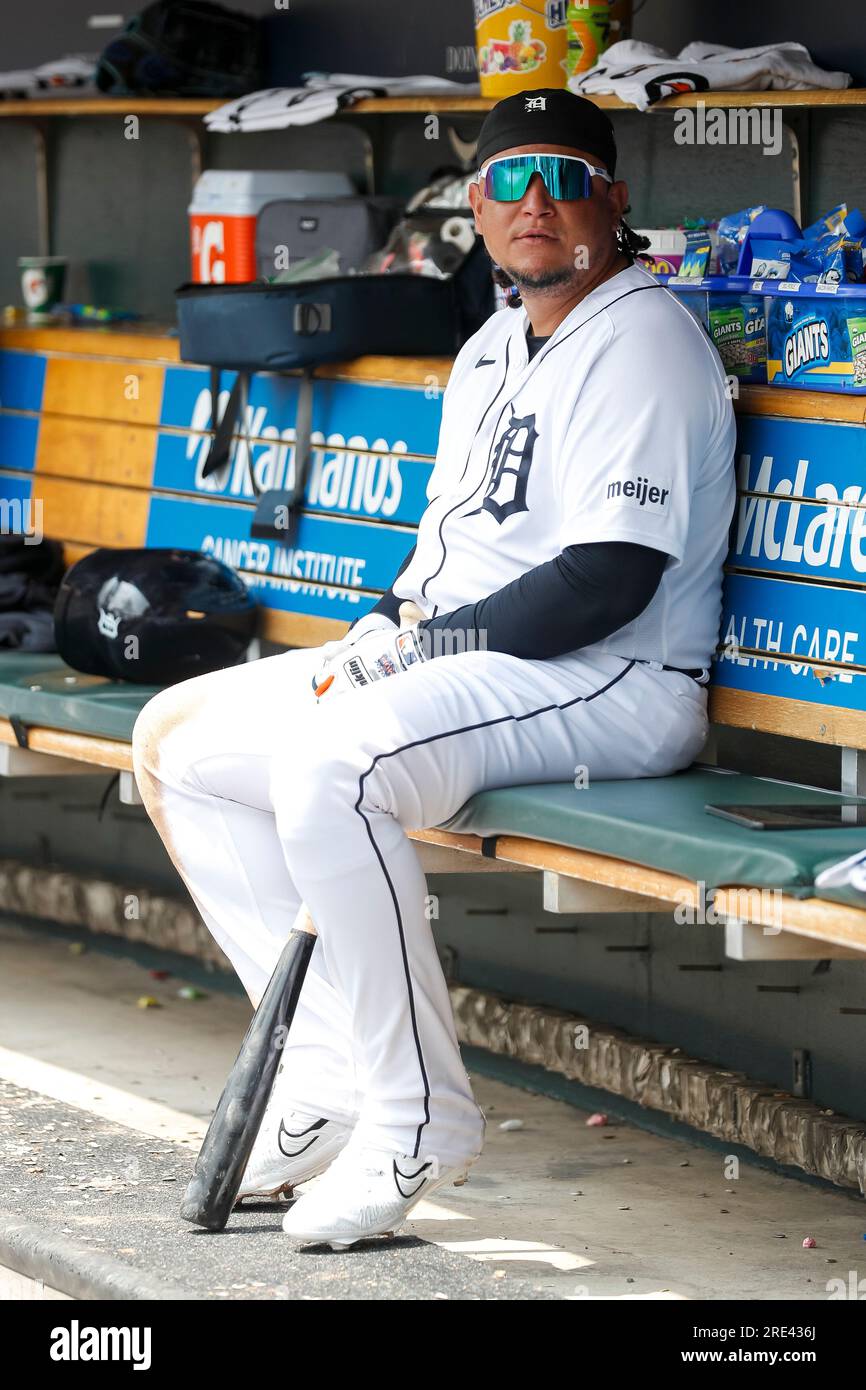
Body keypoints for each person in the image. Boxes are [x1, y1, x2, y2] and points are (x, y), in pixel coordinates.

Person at [131, 88, 736, 1251]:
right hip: (482, 667)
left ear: (612, 200)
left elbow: (603, 582)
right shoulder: (491, 345)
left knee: (332, 768)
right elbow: (447, 558)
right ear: (474, 207)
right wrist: (381, 630)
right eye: (510, 181)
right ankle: (320, 1084)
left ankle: (416, 1122)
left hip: (612, 681)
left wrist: (419, 651)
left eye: (564, 178)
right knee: (184, 742)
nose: (536, 204)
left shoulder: (644, 338)